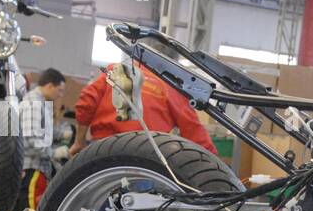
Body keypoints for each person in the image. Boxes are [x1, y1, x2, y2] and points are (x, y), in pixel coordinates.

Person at [70, 62, 217, 156]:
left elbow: (86, 102)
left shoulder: (116, 70)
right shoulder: (171, 86)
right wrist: (216, 166)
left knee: (91, 193)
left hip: (104, 147)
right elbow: (192, 128)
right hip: (145, 154)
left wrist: (79, 141)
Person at [17, 67, 67, 211]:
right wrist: (53, 153)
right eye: (59, 90)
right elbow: (31, 140)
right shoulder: (34, 104)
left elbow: (41, 132)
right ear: (50, 86)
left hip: (34, 169)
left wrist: (60, 134)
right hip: (32, 169)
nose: (60, 95)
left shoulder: (40, 103)